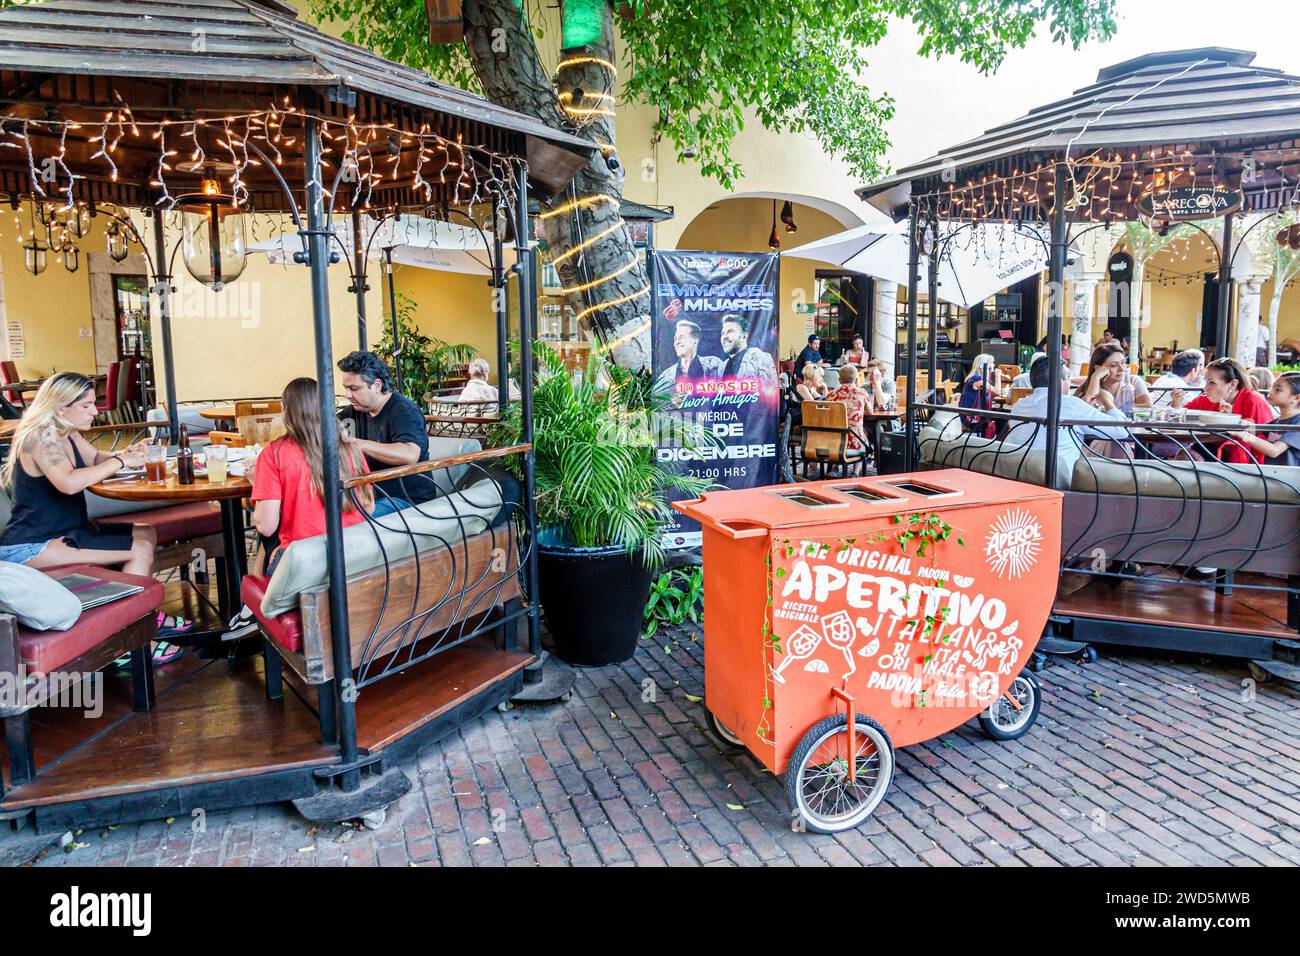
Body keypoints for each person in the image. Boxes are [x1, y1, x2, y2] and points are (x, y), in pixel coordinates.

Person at [0, 372, 187, 661]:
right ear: (61, 407)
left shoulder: (66, 431)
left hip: (69, 531)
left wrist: (127, 451)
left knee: (146, 533)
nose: (94, 410)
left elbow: (94, 460)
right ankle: (132, 639)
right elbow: (70, 482)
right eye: (86, 405)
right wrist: (121, 461)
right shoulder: (41, 436)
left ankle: (141, 613)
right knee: (139, 549)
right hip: (32, 546)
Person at [225, 378, 374, 639]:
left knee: (269, 541)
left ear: (286, 410)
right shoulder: (349, 448)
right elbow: (369, 506)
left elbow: (265, 524)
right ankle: (254, 610)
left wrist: (257, 490)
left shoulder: (274, 453)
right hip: (355, 553)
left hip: (305, 564)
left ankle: (254, 609)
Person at [337, 350, 432, 514]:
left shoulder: (404, 410)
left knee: (350, 520)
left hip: (407, 499)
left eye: (354, 388)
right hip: (369, 495)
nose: (348, 395)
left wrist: (358, 443)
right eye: (346, 388)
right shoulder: (353, 413)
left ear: (377, 385)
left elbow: (410, 454)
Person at [1005, 356, 1127, 479]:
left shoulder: (1020, 405)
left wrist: (1083, 407)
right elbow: (1120, 430)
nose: (1069, 383)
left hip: (1017, 476)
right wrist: (1109, 403)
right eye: (1068, 379)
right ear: (1060, 381)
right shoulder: (1071, 404)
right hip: (1054, 480)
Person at [1172, 358, 1275, 464]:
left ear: (1233, 384)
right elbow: (1183, 416)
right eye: (1206, 381)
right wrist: (1177, 402)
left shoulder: (1254, 401)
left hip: (1247, 464)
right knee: (1187, 455)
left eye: (1212, 382)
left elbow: (1264, 442)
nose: (1206, 387)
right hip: (1214, 454)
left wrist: (1235, 423)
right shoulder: (1207, 398)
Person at [1237, 372, 1300, 467]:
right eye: (1272, 387)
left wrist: (1242, 434)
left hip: (1289, 480)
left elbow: (1274, 451)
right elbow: (1254, 431)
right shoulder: (1277, 421)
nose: (1270, 392)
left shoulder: (1297, 423)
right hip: (1274, 476)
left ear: (1297, 398)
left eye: (1278, 389)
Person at [1077, 343, 1151, 414]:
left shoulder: (1133, 381)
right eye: (1113, 365)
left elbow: (1148, 406)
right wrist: (1095, 377)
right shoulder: (1092, 387)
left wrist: (1110, 408)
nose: (1122, 369)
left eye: (1123, 362)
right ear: (1098, 368)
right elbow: (1086, 412)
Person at [653, 319, 722, 394]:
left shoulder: (713, 364)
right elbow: (657, 400)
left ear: (695, 341)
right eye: (675, 339)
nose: (677, 342)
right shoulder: (666, 376)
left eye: (681, 337)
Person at [718, 314, 776, 383]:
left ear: (744, 336)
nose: (725, 337)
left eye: (730, 331)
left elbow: (770, 390)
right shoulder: (722, 367)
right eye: (723, 333)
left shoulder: (760, 358)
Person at [824, 365, 869, 452]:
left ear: (839, 380)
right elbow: (870, 412)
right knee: (865, 445)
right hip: (854, 441)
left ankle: (834, 464)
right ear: (856, 379)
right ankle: (857, 465)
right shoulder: (861, 392)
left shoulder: (831, 395)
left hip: (834, 441)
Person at [958, 353, 1000, 437]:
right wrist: (998, 375)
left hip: (974, 416)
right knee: (1003, 419)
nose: (993, 367)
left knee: (1002, 415)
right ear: (983, 367)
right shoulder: (977, 379)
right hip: (971, 419)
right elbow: (997, 392)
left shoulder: (976, 378)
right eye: (991, 365)